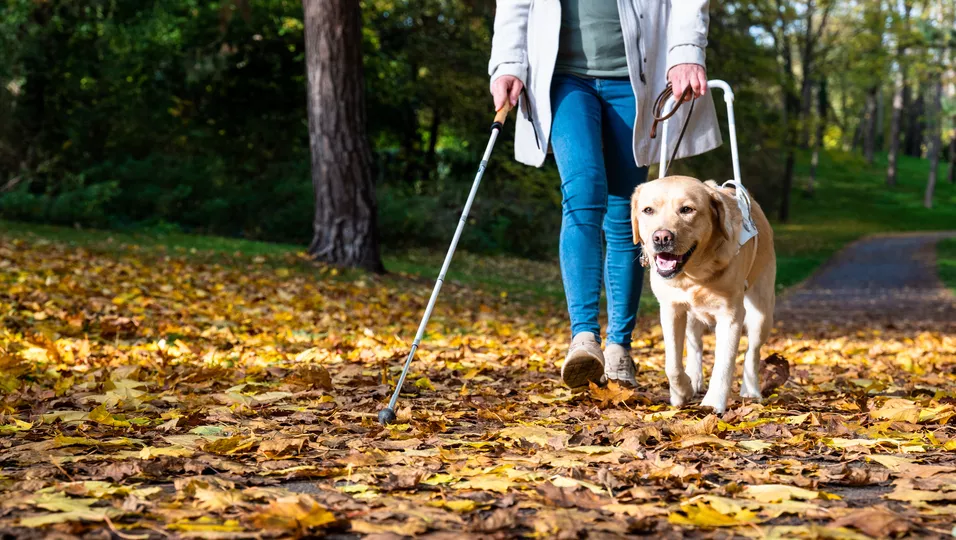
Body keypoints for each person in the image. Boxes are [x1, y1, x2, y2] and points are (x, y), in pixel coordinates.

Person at [489, 1, 722, 390]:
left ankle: (619, 347)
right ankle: (584, 339)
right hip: (561, 78)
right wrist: (509, 64)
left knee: (624, 212)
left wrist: (686, 51)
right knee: (582, 193)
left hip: (636, 76)